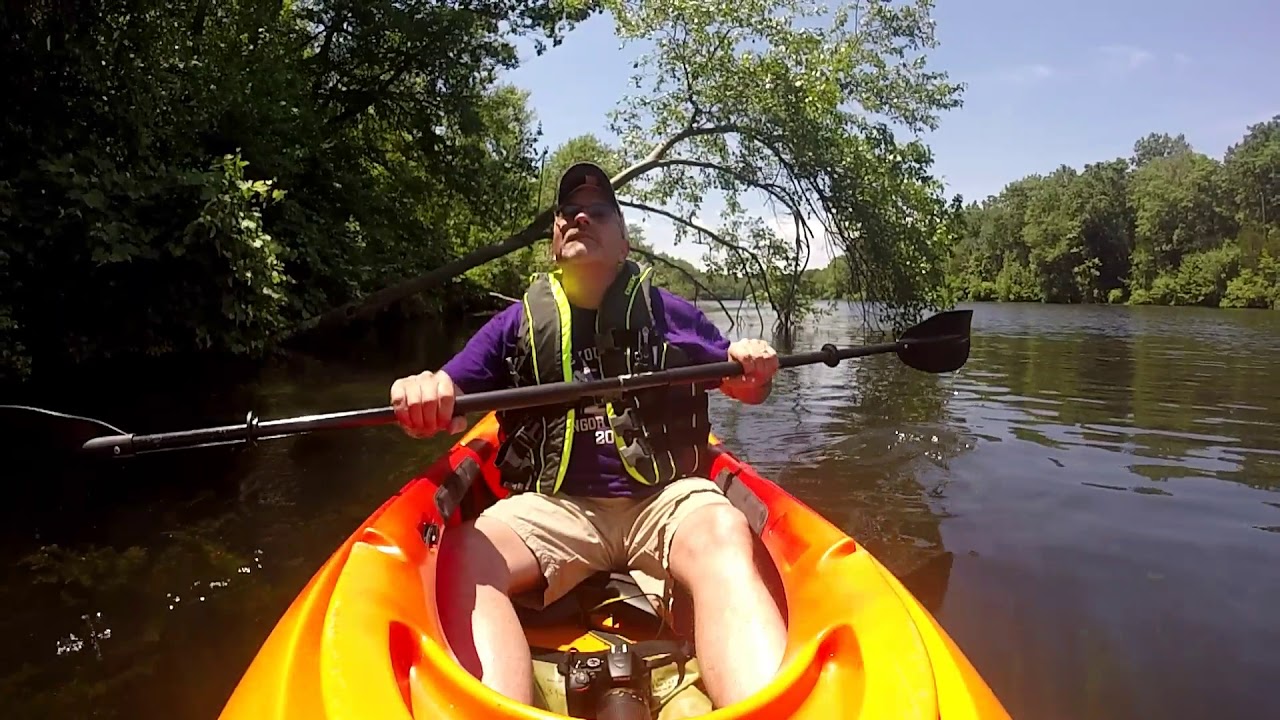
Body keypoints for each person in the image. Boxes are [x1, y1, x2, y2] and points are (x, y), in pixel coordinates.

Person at [389, 161, 787, 709]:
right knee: (465, 552)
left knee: (725, 529)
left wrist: (752, 368)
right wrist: (425, 394)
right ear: (554, 241)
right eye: (566, 213)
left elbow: (746, 388)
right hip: (553, 508)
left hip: (662, 500)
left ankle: (768, 706)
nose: (579, 217)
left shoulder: (670, 314)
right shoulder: (516, 324)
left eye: (598, 211)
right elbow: (450, 400)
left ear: (623, 242)